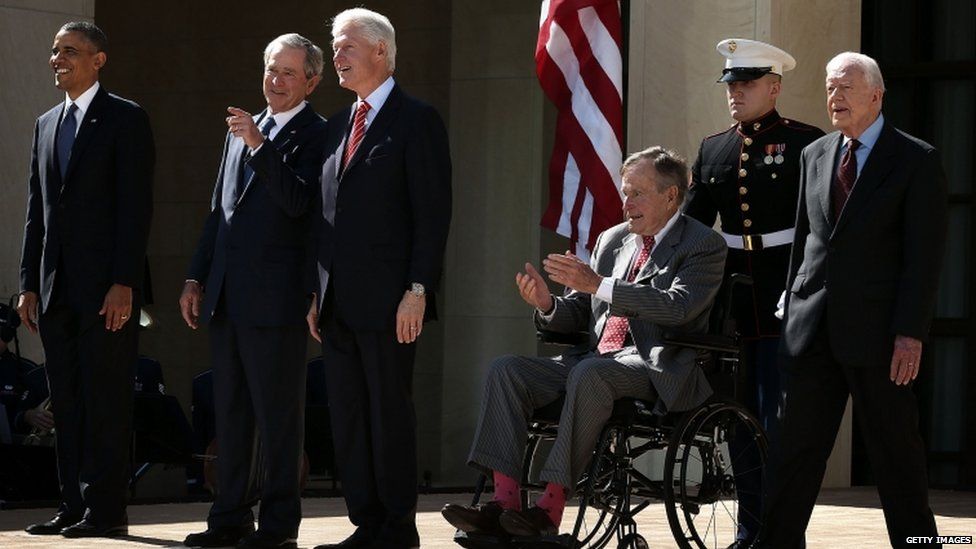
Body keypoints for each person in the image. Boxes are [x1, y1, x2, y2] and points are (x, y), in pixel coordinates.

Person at [442, 147, 727, 538]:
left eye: (638, 193)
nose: (627, 203)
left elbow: (679, 307)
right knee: (506, 370)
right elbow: (581, 311)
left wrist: (599, 284)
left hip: (654, 363)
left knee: (591, 373)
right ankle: (504, 505)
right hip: (593, 360)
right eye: (625, 193)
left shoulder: (702, 243)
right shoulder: (612, 240)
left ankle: (548, 511)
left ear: (671, 196)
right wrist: (547, 304)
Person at [757, 52, 948, 549]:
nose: (834, 97)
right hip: (812, 329)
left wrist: (910, 333)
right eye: (829, 87)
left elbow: (924, 258)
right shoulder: (815, 154)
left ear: (876, 95)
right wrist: (792, 306)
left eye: (845, 87)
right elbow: (806, 241)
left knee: (896, 457)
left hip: (880, 336)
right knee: (793, 455)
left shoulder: (915, 159)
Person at [306, 8, 452, 549]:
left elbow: (432, 215)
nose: (337, 56)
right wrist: (315, 291)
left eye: (346, 46)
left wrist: (418, 290)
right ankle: (366, 524)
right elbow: (324, 216)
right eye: (334, 46)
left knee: (388, 413)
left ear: (380, 51)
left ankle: (396, 528)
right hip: (337, 303)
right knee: (347, 417)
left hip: (392, 302)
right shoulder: (337, 124)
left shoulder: (417, 120)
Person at [179, 33, 327, 549]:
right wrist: (196, 276)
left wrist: (261, 147)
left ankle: (279, 527)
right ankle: (229, 519)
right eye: (270, 69)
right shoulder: (241, 130)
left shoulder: (318, 134)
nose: (276, 81)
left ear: (311, 81)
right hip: (227, 295)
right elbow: (218, 213)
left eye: (288, 73)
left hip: (278, 300)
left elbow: (300, 204)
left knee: (279, 419)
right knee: (232, 415)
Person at [683, 38, 824, 547]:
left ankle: (782, 535)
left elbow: (820, 226)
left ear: (774, 87)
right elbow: (692, 227)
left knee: (781, 426)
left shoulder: (808, 143)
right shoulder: (714, 147)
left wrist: (806, 287)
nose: (735, 93)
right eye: (731, 84)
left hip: (787, 292)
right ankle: (750, 531)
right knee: (738, 422)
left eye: (746, 84)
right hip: (733, 303)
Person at [17, 21, 154, 539]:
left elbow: (136, 208)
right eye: (55, 51)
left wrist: (124, 281)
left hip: (107, 293)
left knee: (106, 401)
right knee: (68, 402)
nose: (58, 59)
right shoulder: (45, 123)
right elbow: (37, 212)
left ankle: (107, 511)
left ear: (98, 60)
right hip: (56, 292)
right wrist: (29, 283)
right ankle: (71, 506)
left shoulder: (126, 118)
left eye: (70, 51)